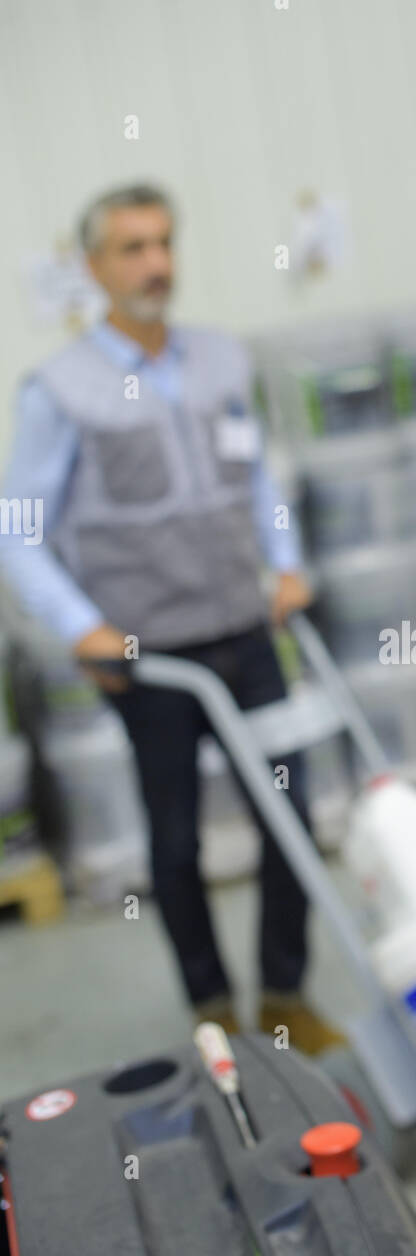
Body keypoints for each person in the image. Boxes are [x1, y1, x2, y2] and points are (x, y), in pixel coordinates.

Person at [0, 183, 344, 1053]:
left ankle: (282, 992)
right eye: (130, 248)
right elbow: (19, 528)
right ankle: (211, 1009)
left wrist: (288, 561)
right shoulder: (60, 389)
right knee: (178, 836)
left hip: (244, 631)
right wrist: (79, 624)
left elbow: (257, 472)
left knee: (289, 817)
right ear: (92, 268)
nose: (154, 264)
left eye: (162, 243)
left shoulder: (221, 361)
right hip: (146, 658)